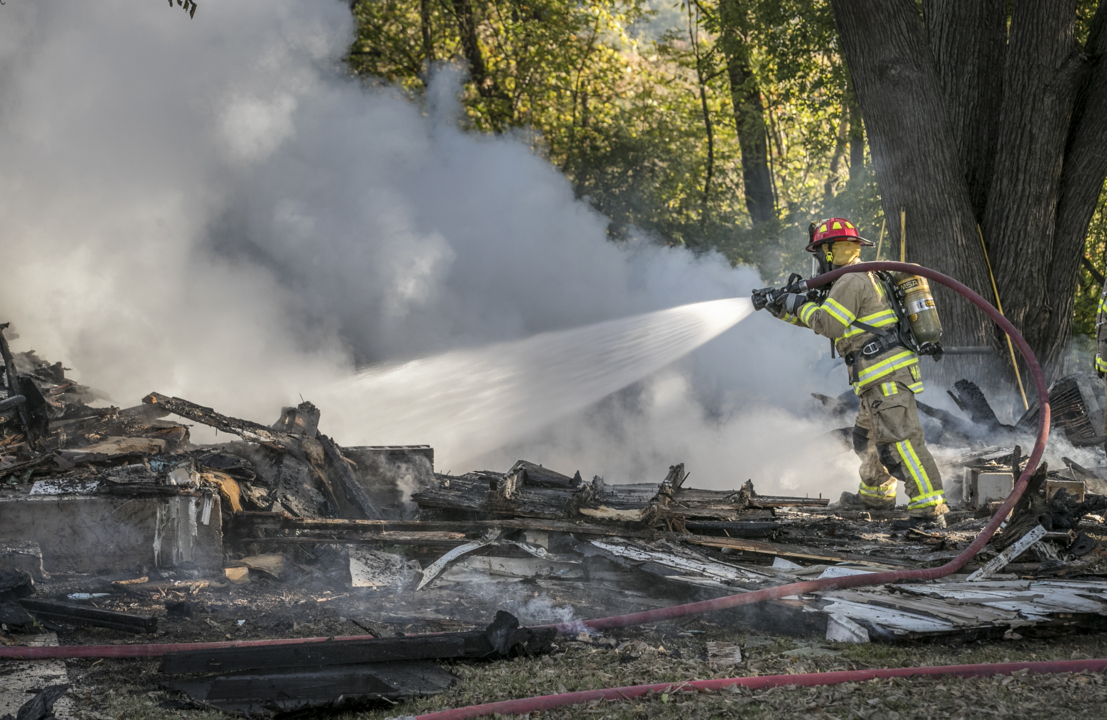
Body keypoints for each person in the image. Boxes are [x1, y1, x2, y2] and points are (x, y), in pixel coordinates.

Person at [770, 217, 949, 528]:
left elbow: (828, 324)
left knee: (902, 441)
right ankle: (876, 497)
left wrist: (796, 303)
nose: (817, 263)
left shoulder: (852, 280)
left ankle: (930, 509)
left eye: (819, 255)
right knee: (867, 439)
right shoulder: (857, 279)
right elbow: (825, 318)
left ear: (829, 252)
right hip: (874, 380)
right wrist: (784, 309)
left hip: (887, 377)